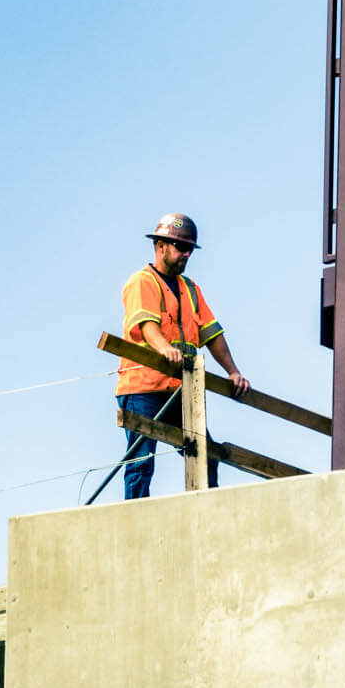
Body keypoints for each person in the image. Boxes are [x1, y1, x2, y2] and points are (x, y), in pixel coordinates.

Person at [116, 213, 250, 499]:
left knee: (205, 454)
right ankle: (135, 520)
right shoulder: (142, 282)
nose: (186, 254)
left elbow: (212, 334)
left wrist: (233, 372)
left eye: (189, 249)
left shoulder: (191, 289)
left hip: (179, 390)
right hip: (143, 388)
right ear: (160, 246)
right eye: (180, 247)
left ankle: (205, 514)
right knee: (141, 462)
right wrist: (164, 349)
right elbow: (146, 325)